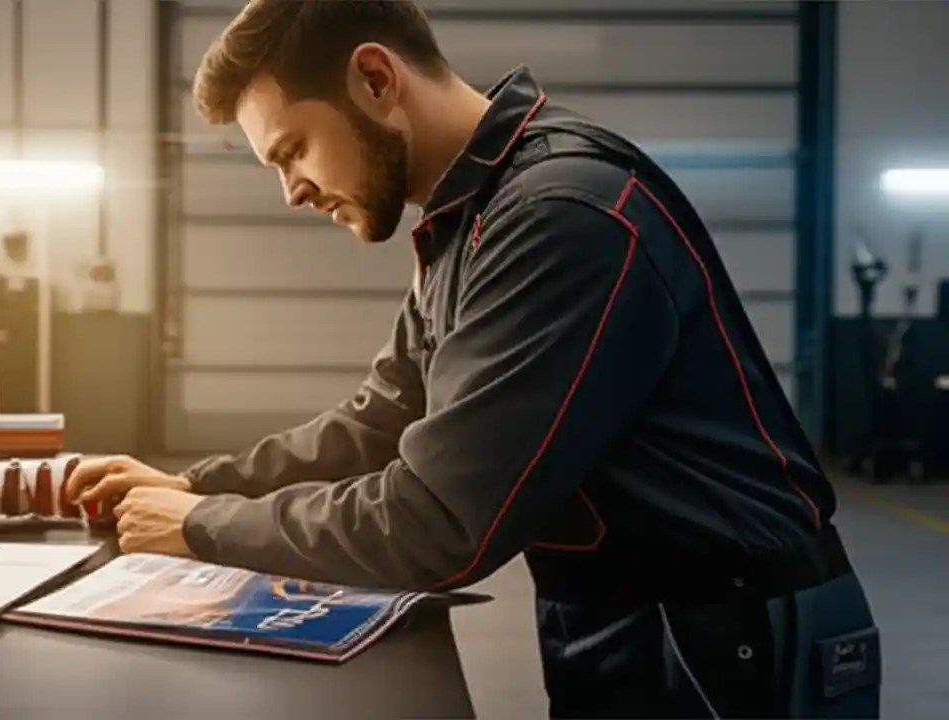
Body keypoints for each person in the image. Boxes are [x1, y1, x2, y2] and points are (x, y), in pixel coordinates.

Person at [65, 2, 881, 717]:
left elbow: (440, 524)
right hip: (634, 619)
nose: (293, 192)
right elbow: (382, 422)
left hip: (732, 637)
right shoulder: (471, 218)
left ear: (376, 79)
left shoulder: (561, 216)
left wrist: (205, 529)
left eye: (293, 150)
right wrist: (198, 485)